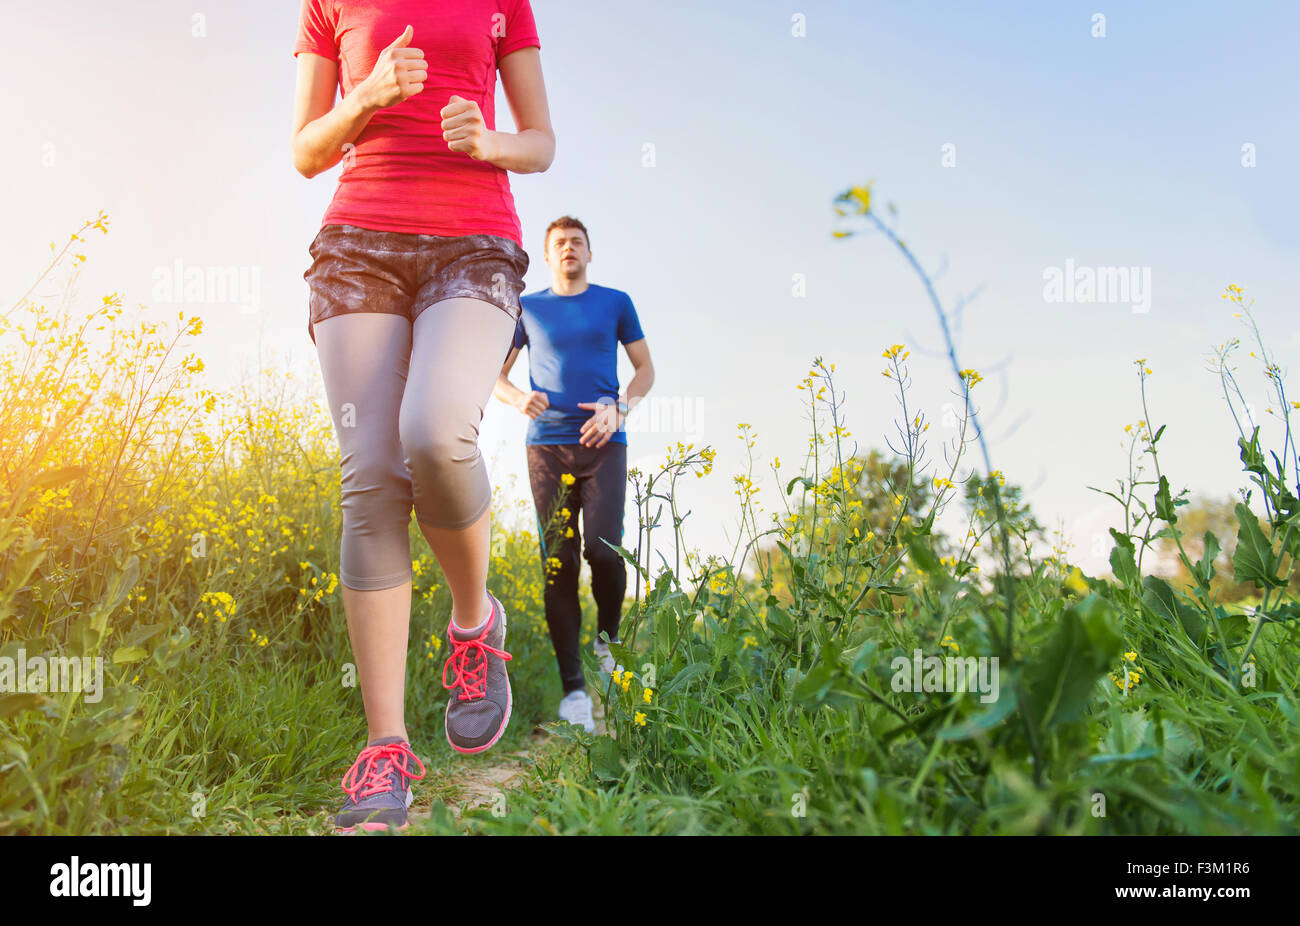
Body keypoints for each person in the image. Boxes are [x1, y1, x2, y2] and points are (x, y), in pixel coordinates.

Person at [290, 0, 554, 832]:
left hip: (472, 240)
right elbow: (306, 150)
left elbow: (540, 142)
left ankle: (474, 622)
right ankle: (385, 752)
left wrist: (489, 142)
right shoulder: (327, 5)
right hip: (357, 243)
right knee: (369, 476)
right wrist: (365, 97)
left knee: (434, 433)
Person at [494, 217, 655, 733]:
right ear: (547, 255)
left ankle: (606, 647)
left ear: (589, 251)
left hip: (605, 442)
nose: (569, 248)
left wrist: (621, 409)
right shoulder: (528, 307)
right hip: (547, 446)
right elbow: (494, 374)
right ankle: (574, 693)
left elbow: (646, 369)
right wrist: (519, 396)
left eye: (577, 242)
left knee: (606, 551)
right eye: (559, 243)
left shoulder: (616, 302)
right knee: (557, 562)